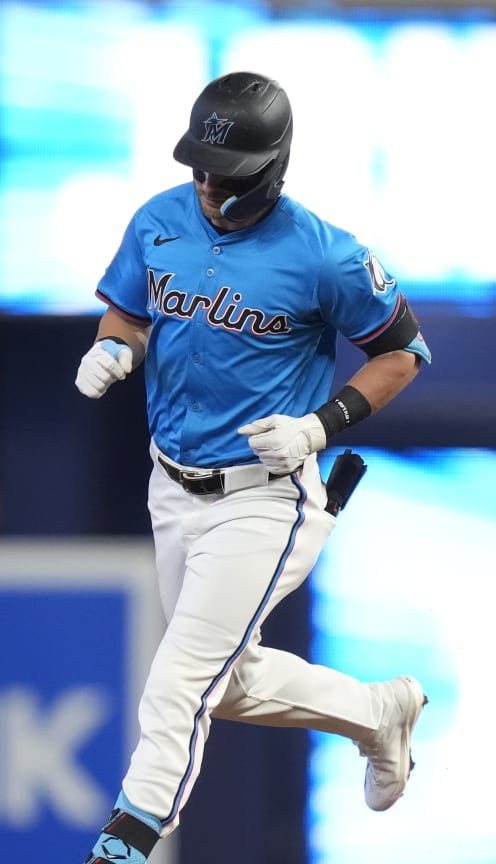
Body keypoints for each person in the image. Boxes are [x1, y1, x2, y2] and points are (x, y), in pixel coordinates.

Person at [72, 71, 433, 864]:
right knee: (225, 684)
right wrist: (112, 346)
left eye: (223, 173)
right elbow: (129, 311)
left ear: (272, 168)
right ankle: (377, 713)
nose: (205, 185)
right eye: (197, 166)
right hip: (171, 482)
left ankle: (127, 841)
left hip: (265, 498)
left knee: (178, 680)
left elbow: (403, 351)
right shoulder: (159, 219)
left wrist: (320, 424)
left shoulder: (323, 255)